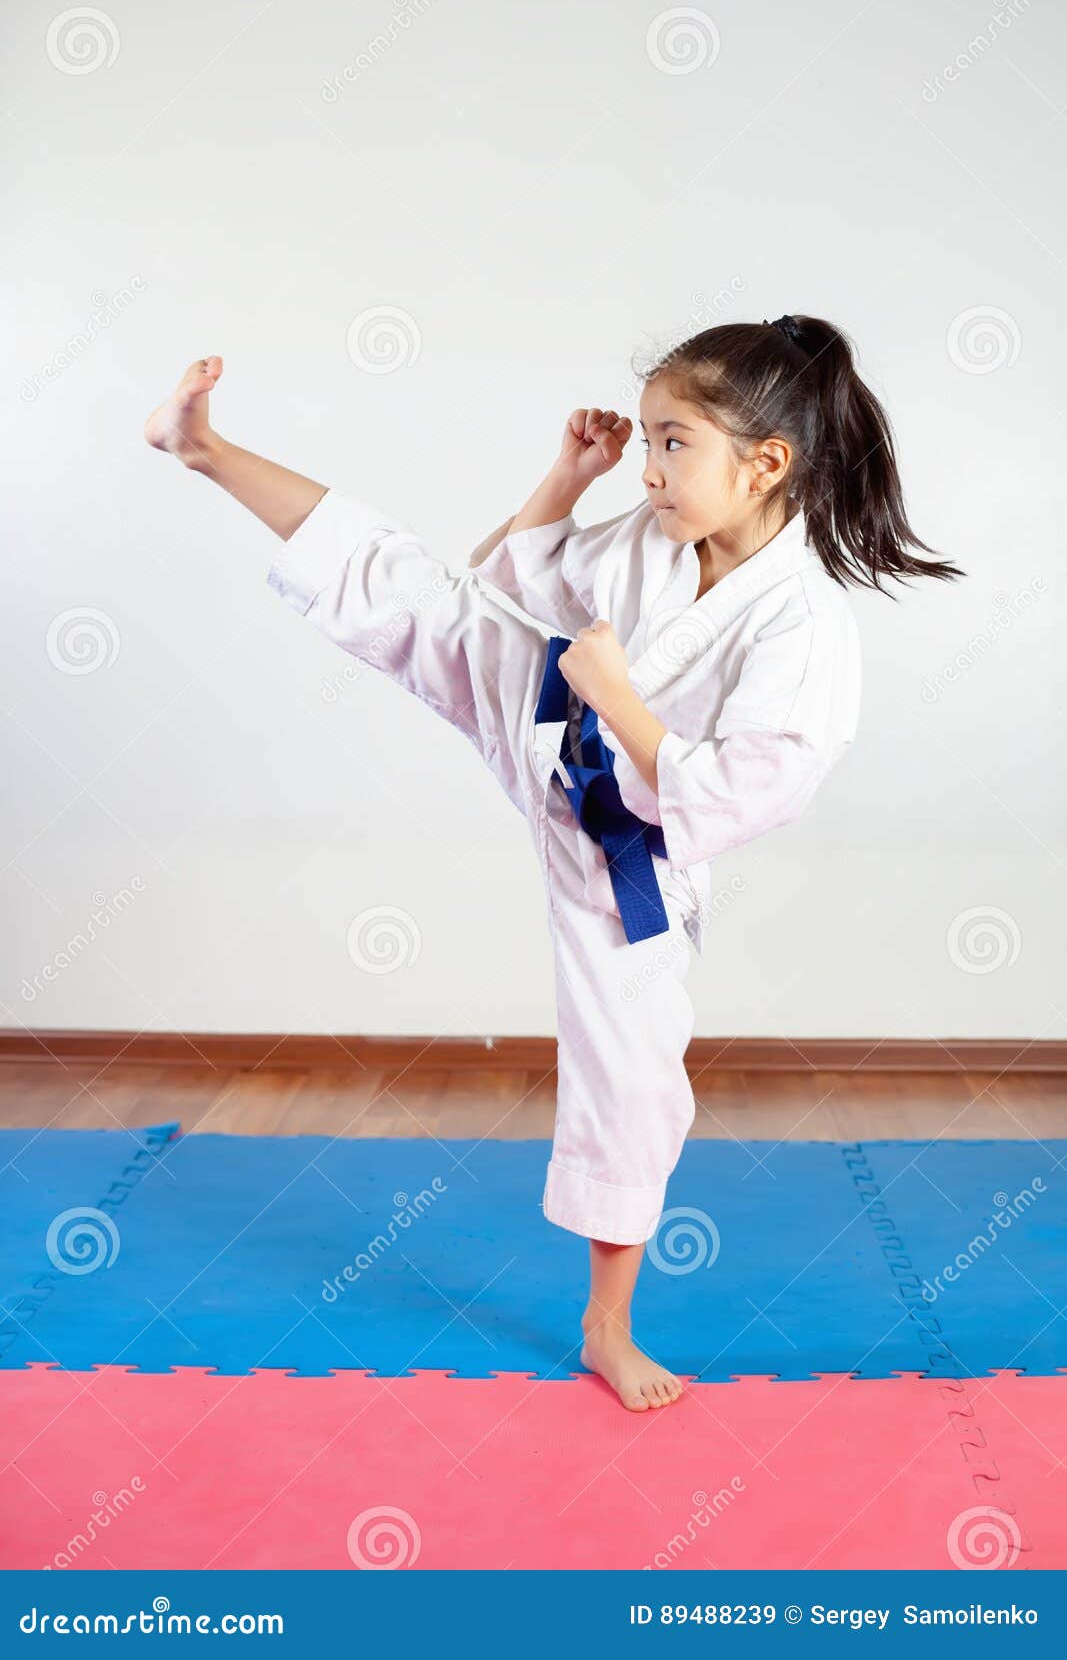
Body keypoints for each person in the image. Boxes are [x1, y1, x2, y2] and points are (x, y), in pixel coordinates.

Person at [144, 314, 964, 1412]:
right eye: (649, 439)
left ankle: (604, 1325)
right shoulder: (649, 533)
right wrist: (565, 477)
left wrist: (622, 700)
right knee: (408, 585)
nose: (650, 462)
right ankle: (199, 447)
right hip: (542, 721)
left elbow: (732, 793)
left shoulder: (803, 626)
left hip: (622, 832)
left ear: (764, 462)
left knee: (632, 1066)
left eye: (674, 443)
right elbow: (497, 583)